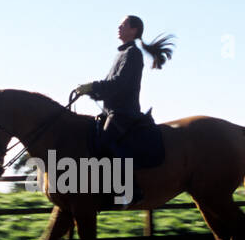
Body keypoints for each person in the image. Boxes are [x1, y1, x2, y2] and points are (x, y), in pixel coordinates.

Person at [72, 16, 174, 207]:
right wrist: (92, 92)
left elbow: (119, 84)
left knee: (105, 142)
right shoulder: (123, 53)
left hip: (124, 114)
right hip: (113, 112)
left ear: (134, 30)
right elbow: (112, 86)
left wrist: (92, 86)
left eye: (123, 25)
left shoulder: (132, 53)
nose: (118, 27)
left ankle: (130, 190)